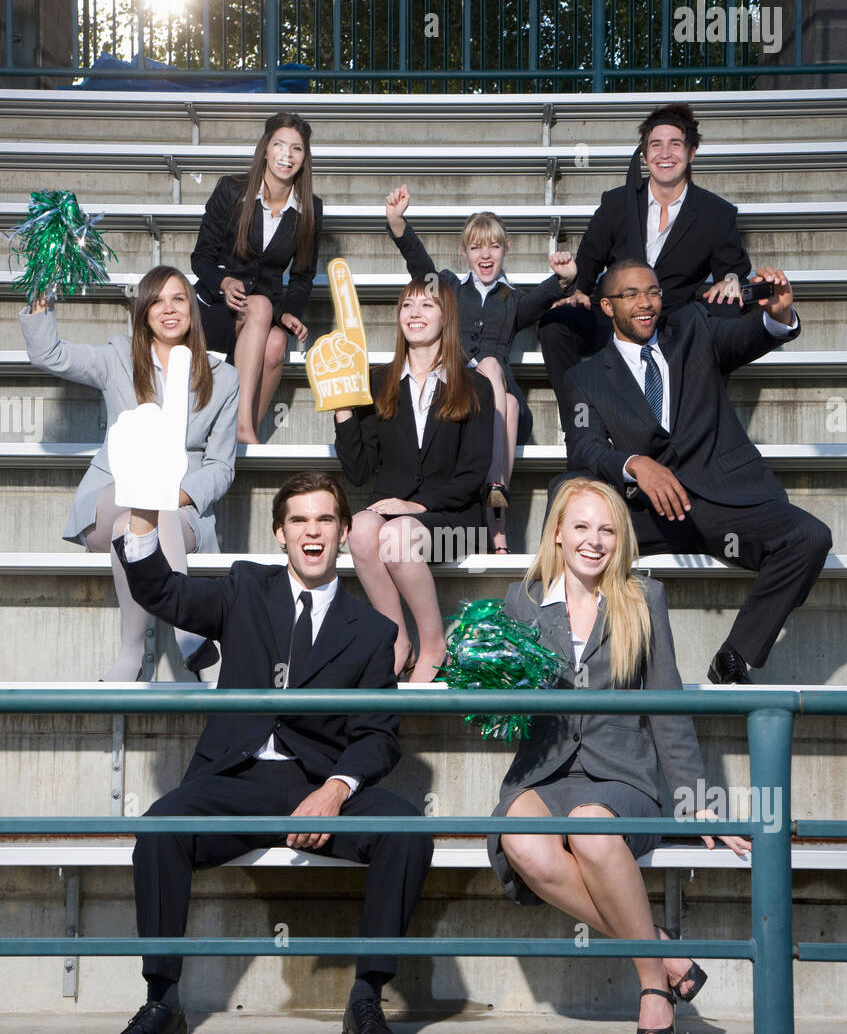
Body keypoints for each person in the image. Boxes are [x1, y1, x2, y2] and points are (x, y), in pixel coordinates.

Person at [92, 472, 433, 1034]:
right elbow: (164, 593)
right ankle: (163, 1003)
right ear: (280, 534)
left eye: (325, 519)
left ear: (345, 532)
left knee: (408, 831)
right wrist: (144, 514)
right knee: (159, 828)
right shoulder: (246, 587)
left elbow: (378, 735)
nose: (312, 531)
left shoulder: (374, 632)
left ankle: (366, 1000)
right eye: (299, 520)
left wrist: (334, 789)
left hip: (319, 786)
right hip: (236, 781)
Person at [488, 477, 751, 1034]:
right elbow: (508, 710)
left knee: (591, 826)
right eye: (580, 526)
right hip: (543, 772)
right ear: (557, 534)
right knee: (521, 839)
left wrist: (697, 803)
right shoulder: (522, 599)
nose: (594, 540)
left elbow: (668, 708)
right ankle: (662, 945)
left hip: (622, 777)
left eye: (607, 529)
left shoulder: (643, 598)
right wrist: (489, 682)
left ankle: (653, 985)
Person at [554, 260, 832, 684]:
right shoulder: (586, 377)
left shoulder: (693, 329)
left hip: (720, 501)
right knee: (564, 500)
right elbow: (584, 447)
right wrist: (634, 465)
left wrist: (776, 318)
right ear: (607, 307)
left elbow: (751, 336)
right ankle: (565, 664)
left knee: (809, 537)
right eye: (631, 295)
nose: (646, 303)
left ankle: (734, 656)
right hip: (643, 513)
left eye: (653, 292)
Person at [19, 266, 239, 681]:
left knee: (137, 521)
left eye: (178, 299)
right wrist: (41, 304)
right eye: (157, 301)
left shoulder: (224, 377)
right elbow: (49, 354)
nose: (168, 309)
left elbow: (221, 466)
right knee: (133, 507)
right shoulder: (118, 357)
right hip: (112, 493)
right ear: (143, 311)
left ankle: (131, 655)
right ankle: (189, 629)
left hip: (179, 509)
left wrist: (176, 496)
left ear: (191, 308)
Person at [385, 188, 577, 551]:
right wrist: (398, 223)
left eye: (492, 246)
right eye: (475, 247)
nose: (484, 254)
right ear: (465, 253)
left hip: (500, 407)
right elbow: (419, 265)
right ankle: (496, 512)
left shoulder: (515, 301)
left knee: (504, 391)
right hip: (458, 401)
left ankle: (496, 513)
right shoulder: (450, 289)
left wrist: (566, 279)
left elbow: (545, 295)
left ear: (507, 249)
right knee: (493, 376)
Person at [539, 102, 752, 430]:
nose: (665, 153)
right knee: (556, 325)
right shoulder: (617, 202)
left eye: (675, 144)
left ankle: (694, 434)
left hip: (670, 322)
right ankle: (580, 426)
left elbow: (735, 268)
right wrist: (578, 288)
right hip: (615, 316)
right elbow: (589, 259)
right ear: (644, 155)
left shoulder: (716, 213)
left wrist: (731, 278)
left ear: (691, 153)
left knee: (725, 314)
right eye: (656, 145)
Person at [334, 281, 494, 683]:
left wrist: (417, 507)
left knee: (397, 534)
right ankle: (396, 639)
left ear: (447, 316)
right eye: (407, 304)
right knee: (360, 529)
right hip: (397, 523)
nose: (415, 312)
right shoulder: (378, 381)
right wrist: (342, 411)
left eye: (427, 304)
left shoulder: (476, 386)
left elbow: (475, 473)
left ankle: (435, 644)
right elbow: (358, 470)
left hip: (457, 526)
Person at [191, 111, 322, 444]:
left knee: (277, 343)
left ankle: (241, 431)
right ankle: (244, 428)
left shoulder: (311, 208)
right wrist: (222, 282)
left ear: (305, 158)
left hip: (265, 311)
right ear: (265, 148)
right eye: (279, 145)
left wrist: (291, 311)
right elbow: (201, 258)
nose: (286, 155)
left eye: (296, 149)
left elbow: (303, 276)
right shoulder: (231, 190)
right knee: (261, 307)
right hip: (218, 307)